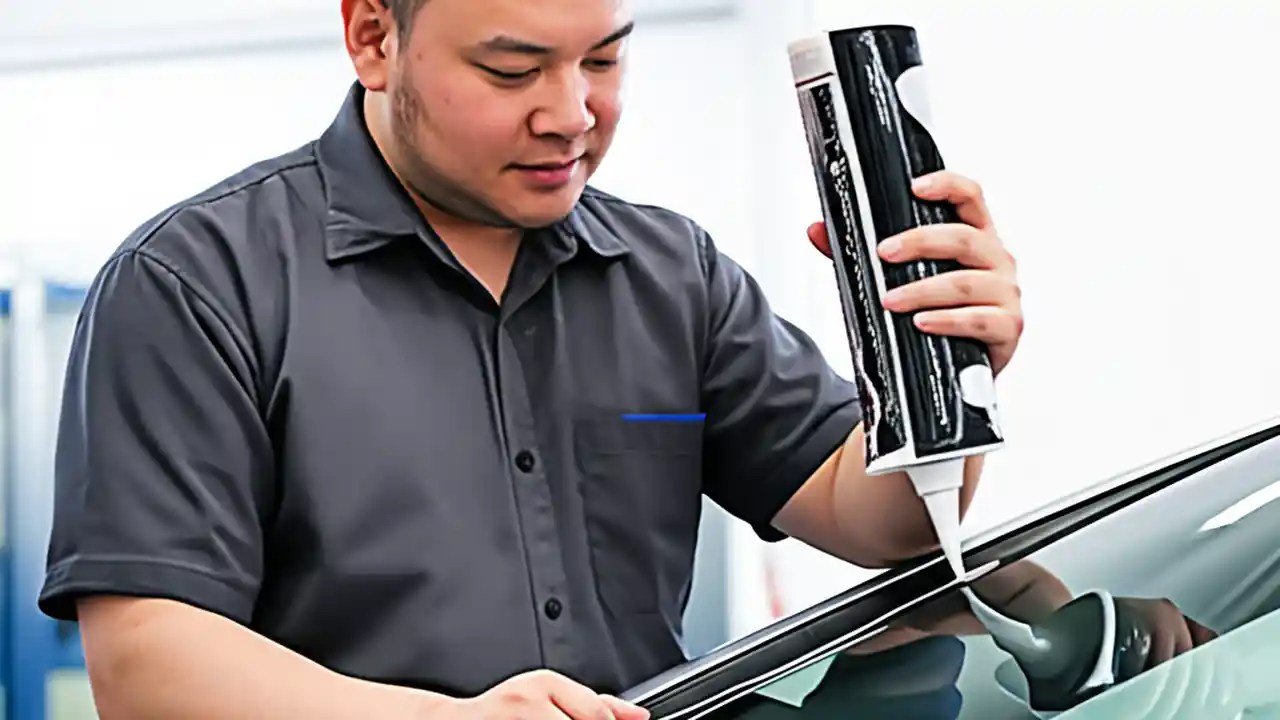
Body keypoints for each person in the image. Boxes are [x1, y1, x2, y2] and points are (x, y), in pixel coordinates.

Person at [38, 0, 1024, 718]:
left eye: (602, 59)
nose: (570, 114)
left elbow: (876, 519)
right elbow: (147, 664)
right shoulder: (194, 284)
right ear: (372, 36)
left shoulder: (669, 275)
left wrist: (945, 372)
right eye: (512, 72)